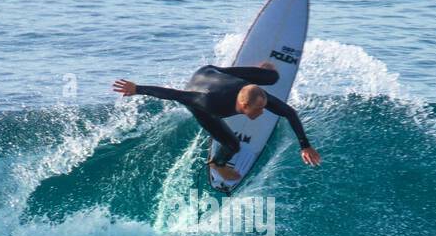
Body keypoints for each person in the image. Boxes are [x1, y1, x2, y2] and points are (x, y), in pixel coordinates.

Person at [113, 61, 321, 182]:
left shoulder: (256, 97)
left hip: (217, 73)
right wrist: (137, 89)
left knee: (273, 76)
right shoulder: (207, 101)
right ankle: (217, 164)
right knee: (233, 145)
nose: (263, 112)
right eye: (258, 110)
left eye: (263, 107)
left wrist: (305, 145)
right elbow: (174, 94)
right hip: (202, 85)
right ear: (244, 106)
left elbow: (289, 112)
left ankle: (264, 71)